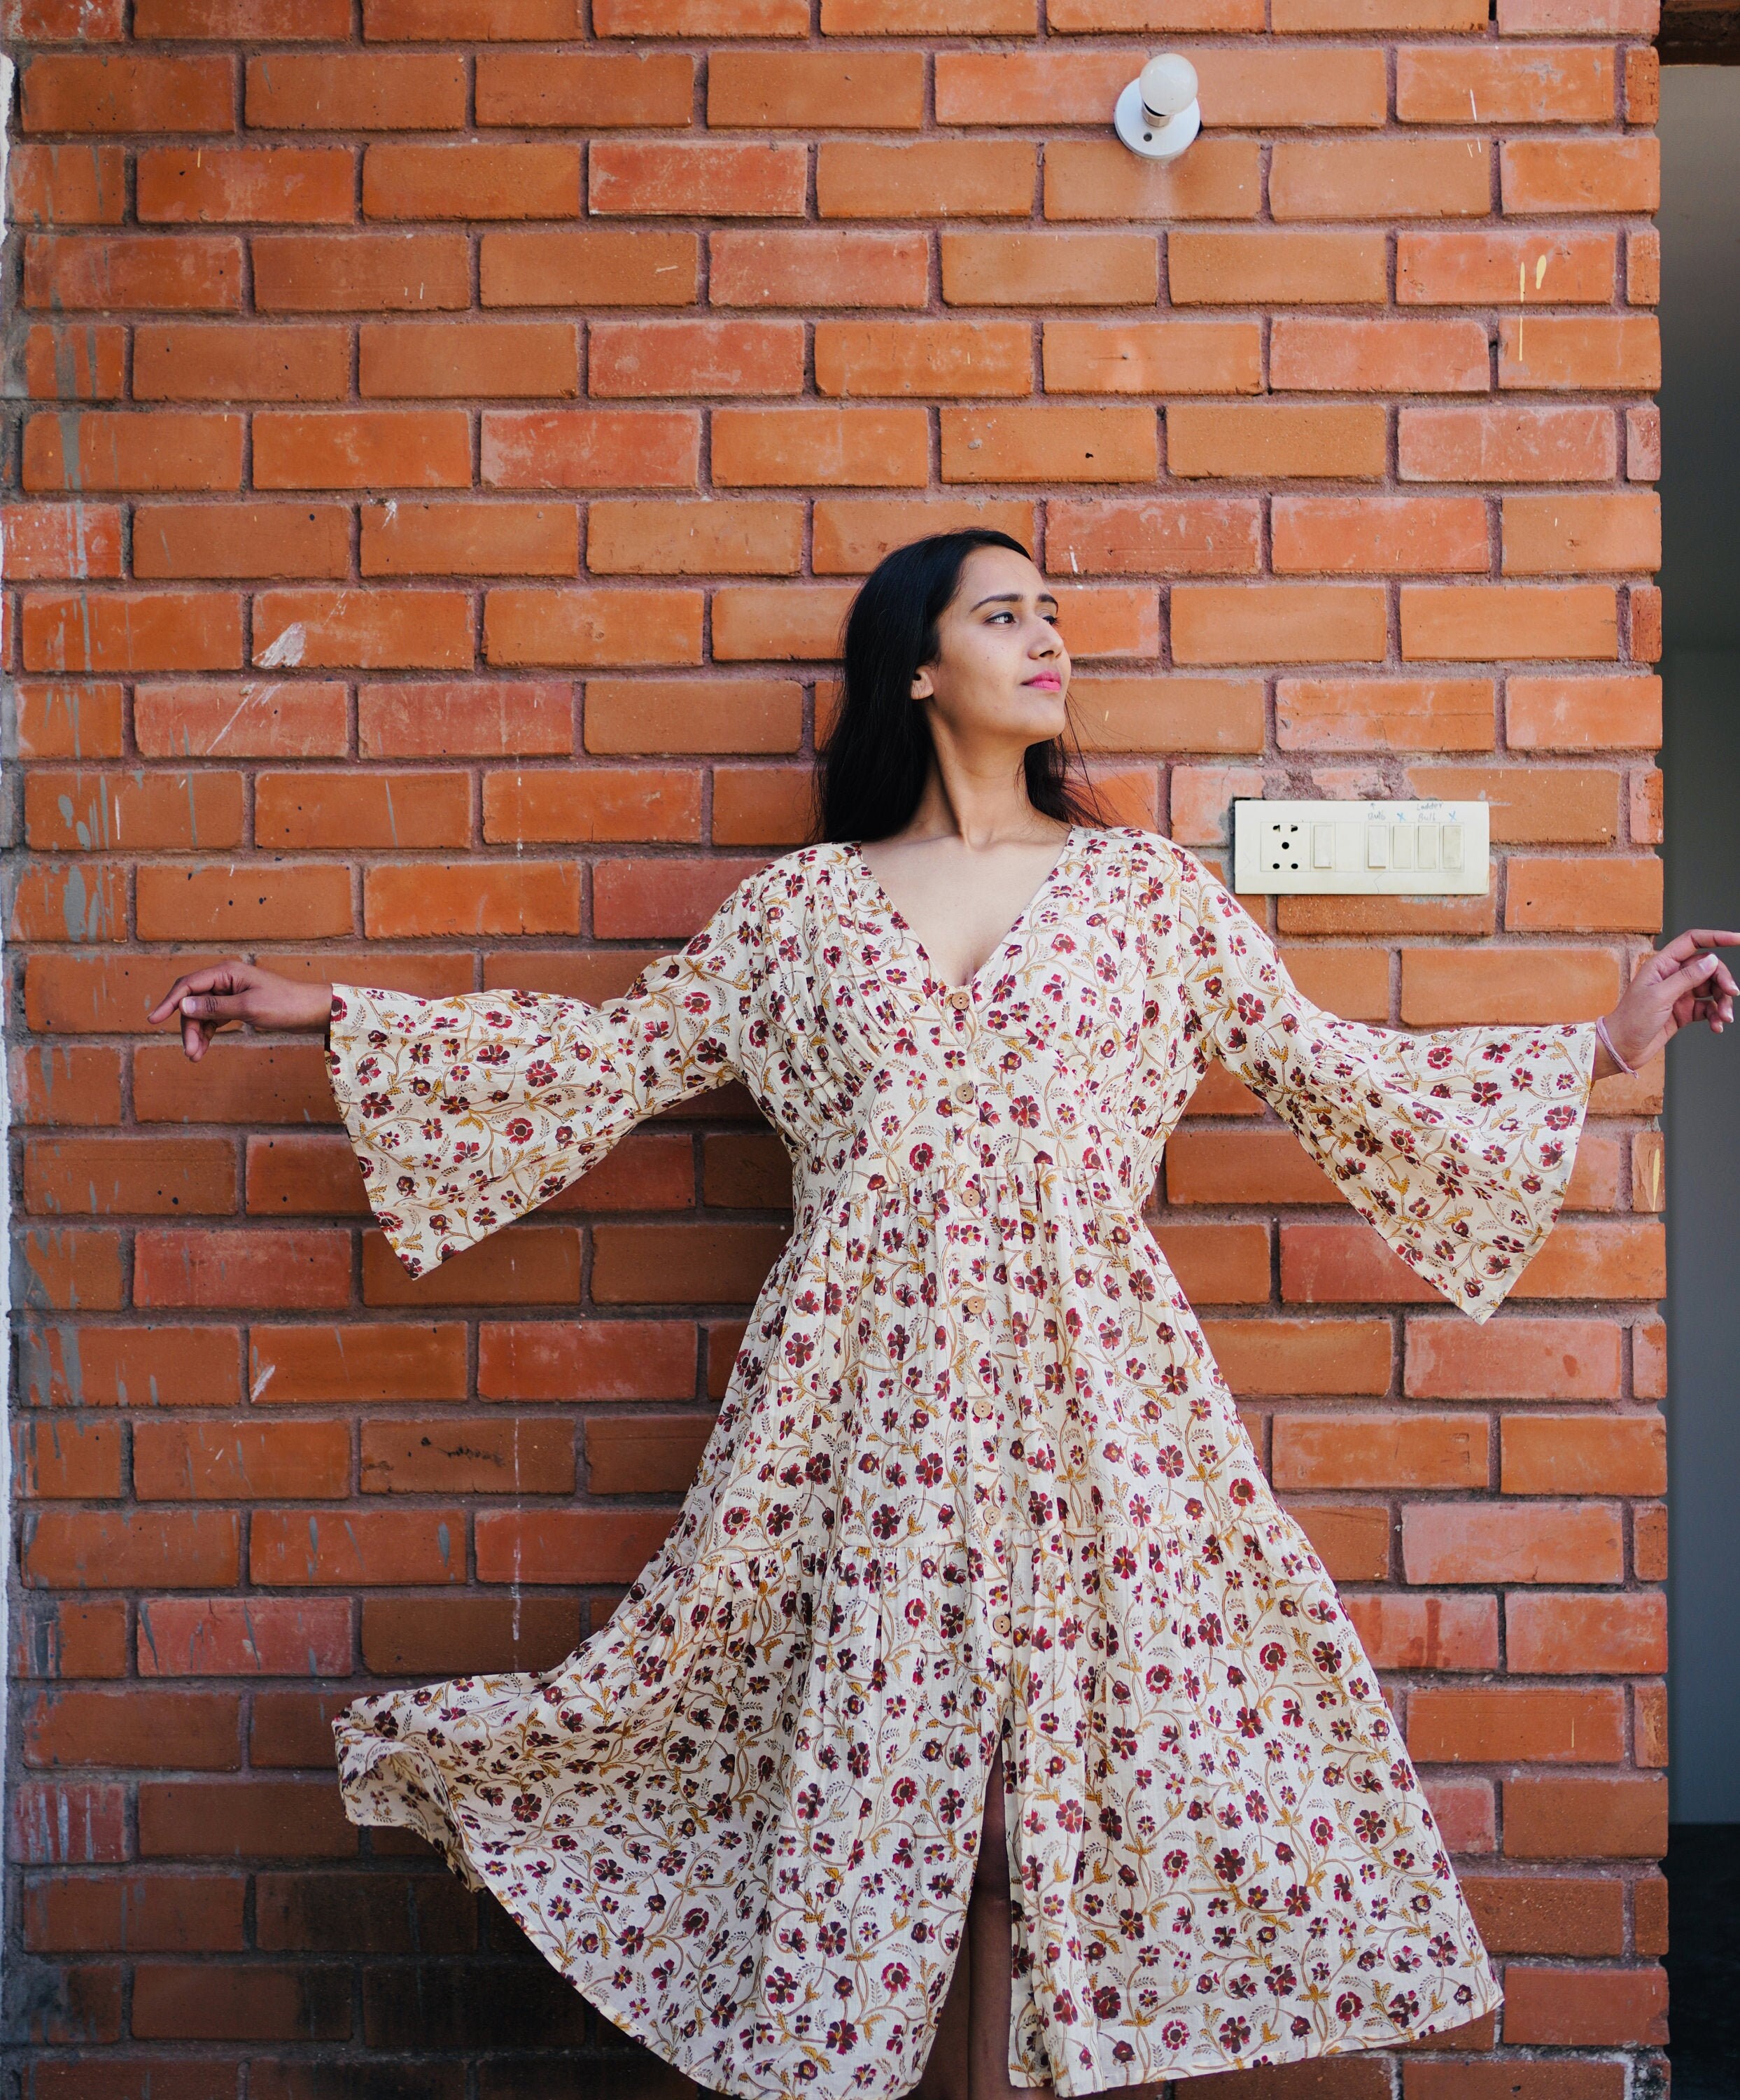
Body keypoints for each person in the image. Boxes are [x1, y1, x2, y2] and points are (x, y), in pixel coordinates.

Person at [150, 529, 1734, 2100]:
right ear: (918, 667)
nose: (1047, 639)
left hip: (1098, 1406)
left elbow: (1339, 1074)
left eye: (1054, 613)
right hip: (860, 1411)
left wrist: (1601, 1043)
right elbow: (600, 1057)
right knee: (889, 1792)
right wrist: (331, 1010)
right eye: (1003, 616)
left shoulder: (1148, 898)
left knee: (1061, 1804)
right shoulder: (802, 916)